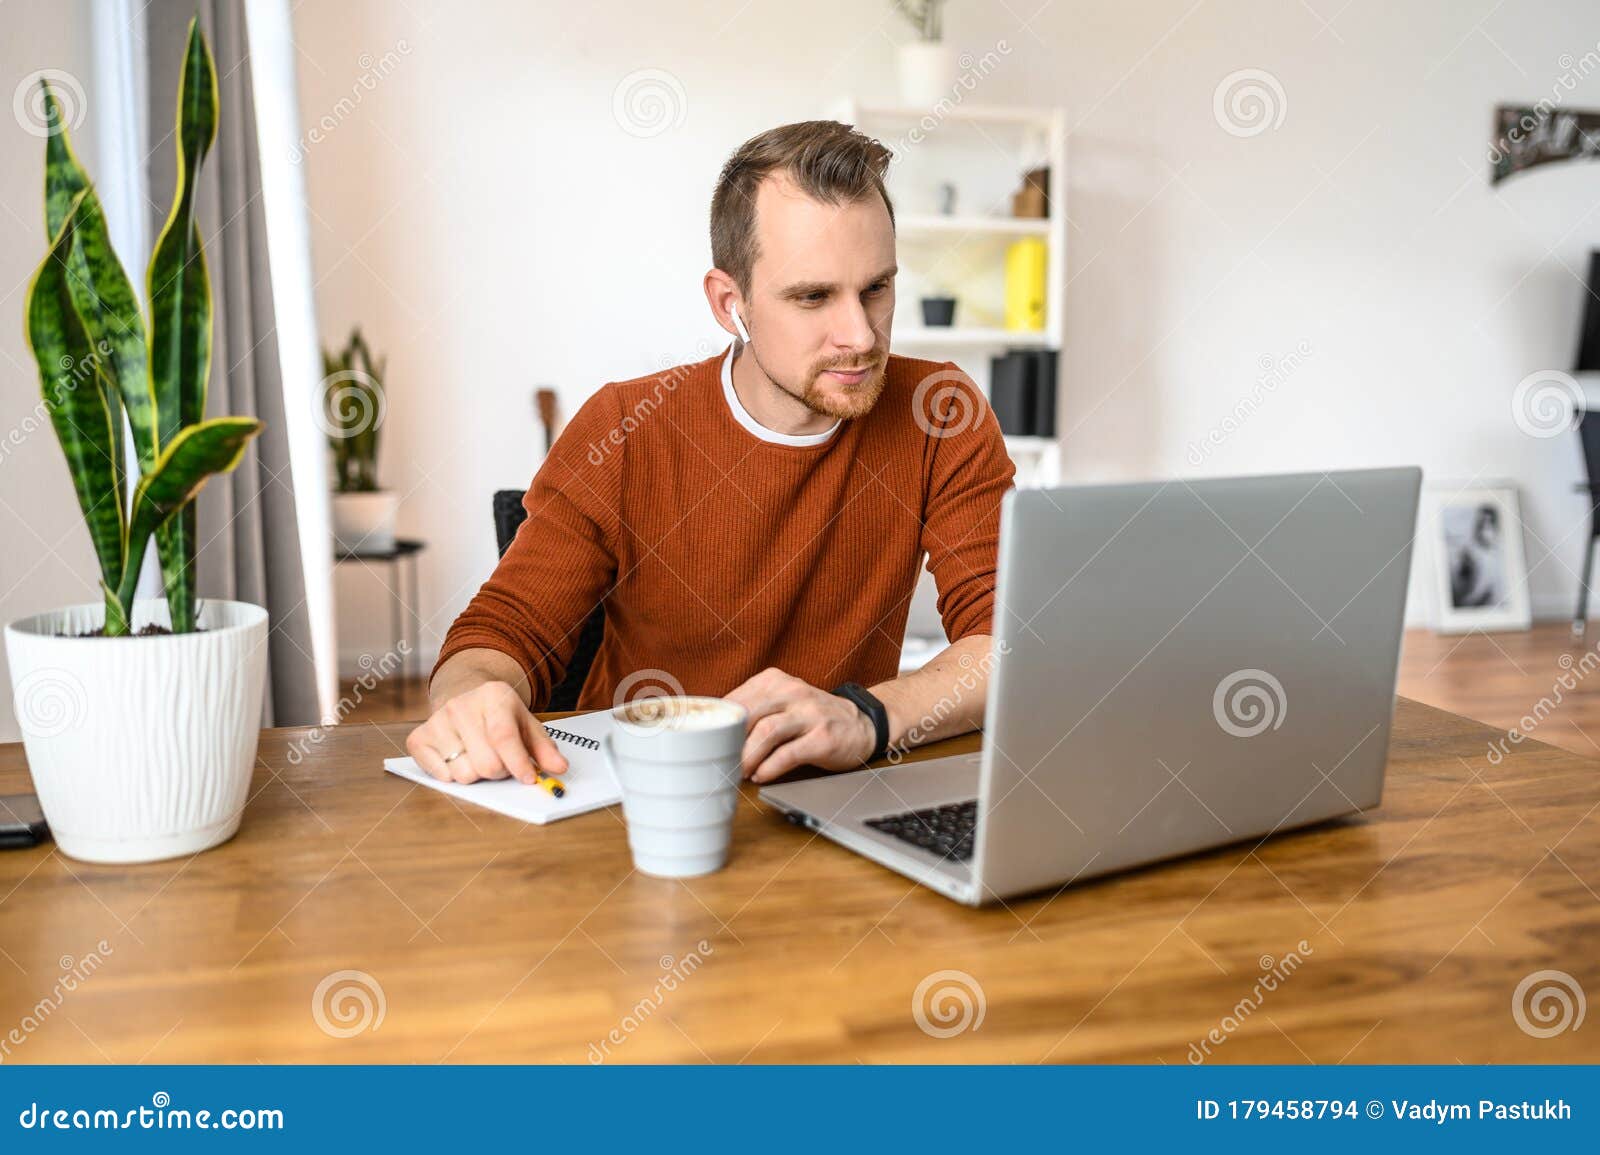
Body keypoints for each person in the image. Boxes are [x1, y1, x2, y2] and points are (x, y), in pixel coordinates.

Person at [408, 119, 1016, 788]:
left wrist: (866, 715)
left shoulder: (941, 411)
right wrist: (471, 698)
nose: (860, 334)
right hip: (634, 804)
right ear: (732, 303)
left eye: (876, 288)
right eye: (813, 296)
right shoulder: (625, 426)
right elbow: (501, 633)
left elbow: (1006, 641)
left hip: (831, 801)